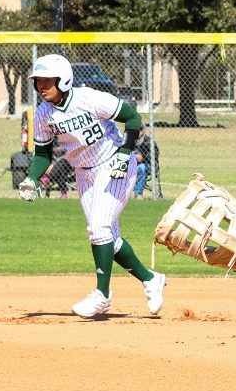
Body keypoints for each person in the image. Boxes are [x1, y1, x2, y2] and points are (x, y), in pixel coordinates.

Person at [20, 54, 167, 319]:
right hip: (84, 174)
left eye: (47, 80)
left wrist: (125, 152)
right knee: (109, 237)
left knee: (98, 228)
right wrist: (32, 179)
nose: (41, 86)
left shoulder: (89, 98)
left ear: (63, 80)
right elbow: (42, 155)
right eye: (38, 81)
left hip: (114, 165)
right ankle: (150, 279)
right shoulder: (43, 114)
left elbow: (133, 118)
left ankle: (102, 295)